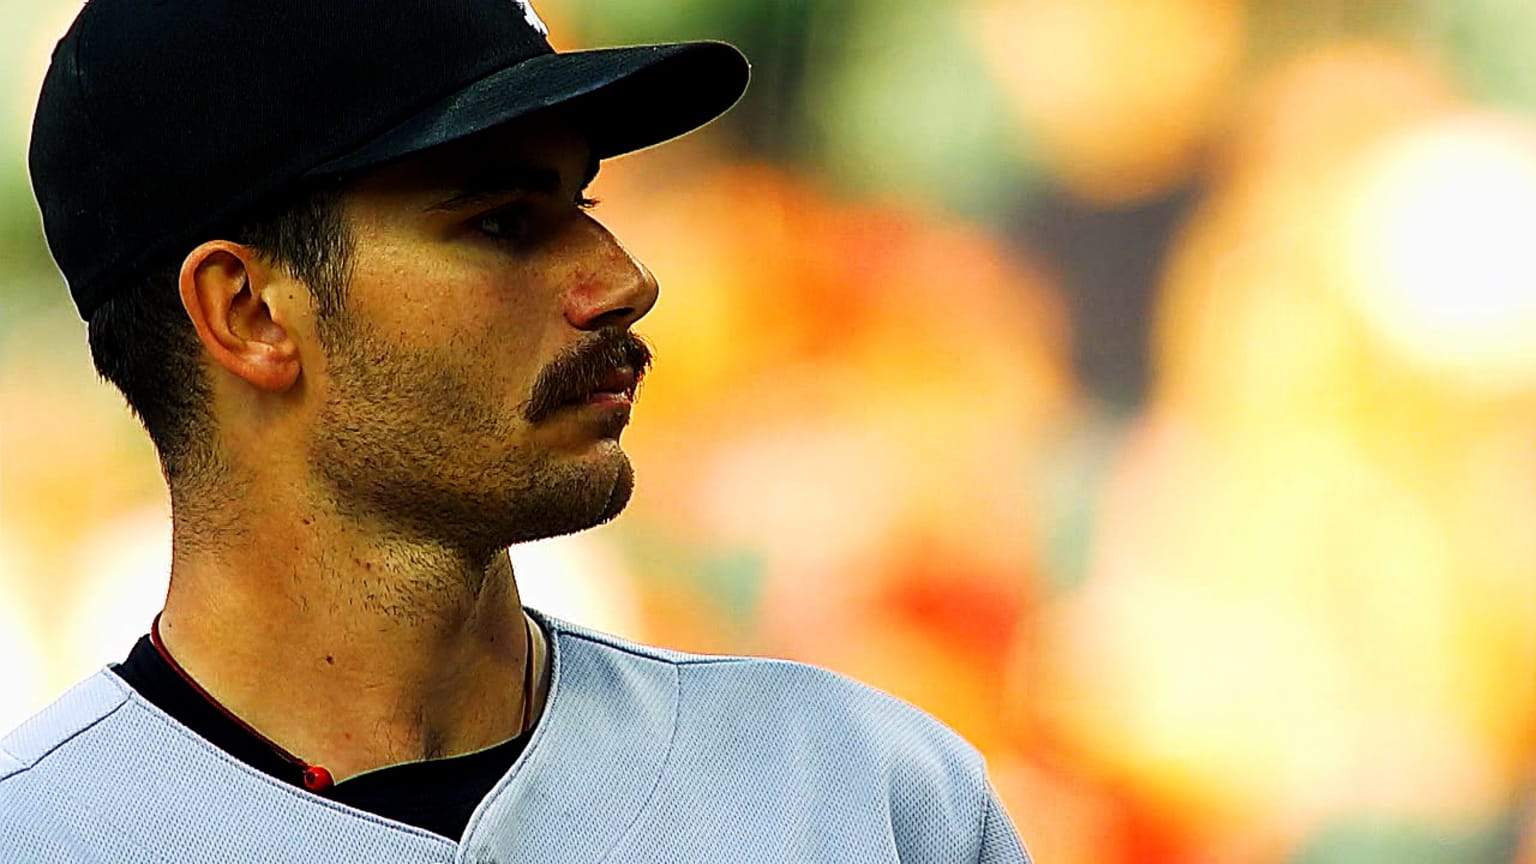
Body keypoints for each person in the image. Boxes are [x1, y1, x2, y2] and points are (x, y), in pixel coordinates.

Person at [3, 1, 1031, 861]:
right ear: (251, 313)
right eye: (502, 220)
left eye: (582, 200)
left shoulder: (860, 792)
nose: (625, 282)